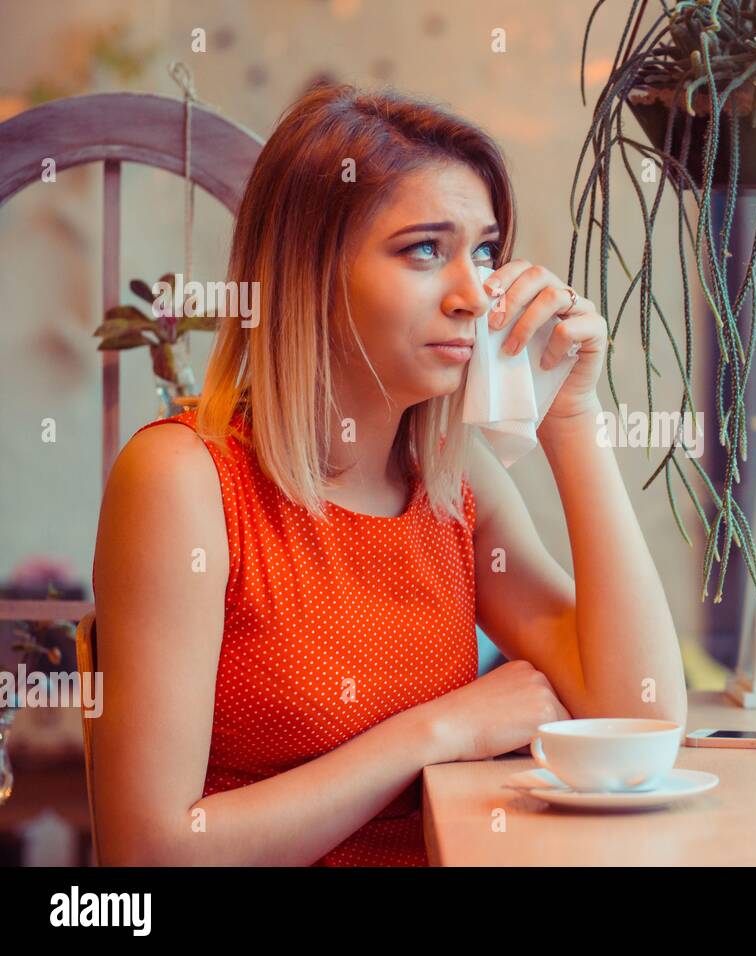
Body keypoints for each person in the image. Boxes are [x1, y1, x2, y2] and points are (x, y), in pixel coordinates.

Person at [90, 84, 687, 866]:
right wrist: (440, 730)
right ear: (308, 270)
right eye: (424, 251)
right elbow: (150, 854)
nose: (474, 296)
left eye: (484, 252)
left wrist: (572, 420)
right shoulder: (182, 478)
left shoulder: (452, 482)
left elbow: (639, 718)